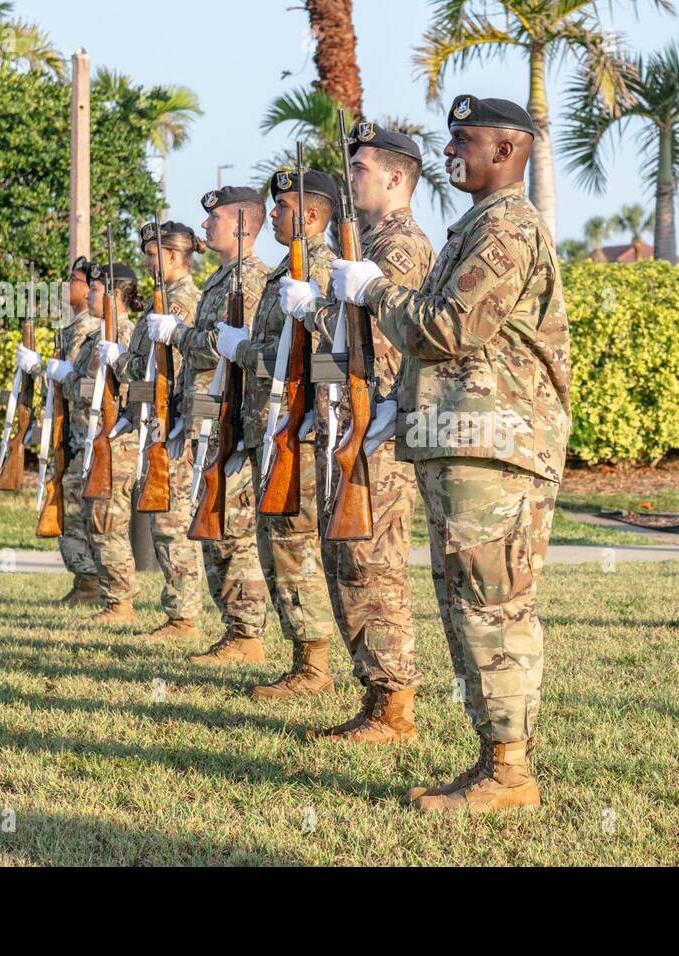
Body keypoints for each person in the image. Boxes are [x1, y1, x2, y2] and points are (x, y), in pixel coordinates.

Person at [330, 94, 571, 812]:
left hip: (494, 447)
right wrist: (401, 409)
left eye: (464, 140)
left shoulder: (508, 231)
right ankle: (493, 761)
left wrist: (376, 291)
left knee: (493, 609)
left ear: (507, 152)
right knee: (467, 608)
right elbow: (444, 351)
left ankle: (510, 773)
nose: (449, 152)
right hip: (459, 440)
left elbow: (448, 329)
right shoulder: (475, 228)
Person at [282, 123, 436, 743]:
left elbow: (378, 335)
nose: (350, 179)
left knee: (374, 565)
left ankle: (394, 707)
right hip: (347, 418)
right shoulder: (364, 241)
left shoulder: (398, 246)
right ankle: (377, 695)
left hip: (379, 426)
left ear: (396, 178)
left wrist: (310, 308)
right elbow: (341, 341)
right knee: (347, 558)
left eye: (362, 169)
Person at [211, 169, 344, 700]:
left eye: (283, 206)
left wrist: (241, 350)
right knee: (276, 545)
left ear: (310, 216)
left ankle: (315, 666)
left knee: (293, 545)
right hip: (266, 428)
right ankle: (301, 660)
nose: (272, 214)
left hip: (301, 432)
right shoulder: (285, 275)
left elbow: (327, 357)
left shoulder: (324, 272)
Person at [145, 187, 273, 663]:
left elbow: (218, 349)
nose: (204, 227)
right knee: (214, 526)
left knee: (235, 529)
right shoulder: (222, 281)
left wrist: (179, 335)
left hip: (236, 420)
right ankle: (236, 632)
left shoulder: (254, 281)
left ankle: (247, 634)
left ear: (241, 224)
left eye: (213, 218)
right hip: (208, 419)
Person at [102, 221, 205, 640]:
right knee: (163, 519)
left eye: (153, 254)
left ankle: (184, 617)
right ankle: (178, 613)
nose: (147, 262)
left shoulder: (180, 303)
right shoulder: (161, 303)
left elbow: (169, 371)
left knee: (172, 522)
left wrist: (120, 363)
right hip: (153, 420)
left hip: (172, 422)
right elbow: (146, 371)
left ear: (175, 256)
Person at [44, 261, 142, 624]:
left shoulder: (128, 335)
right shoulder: (99, 337)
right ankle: (102, 592)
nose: (89, 294)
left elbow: (101, 389)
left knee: (107, 522)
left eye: (97, 290)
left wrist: (62, 376)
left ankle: (121, 602)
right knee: (95, 521)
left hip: (115, 441)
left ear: (115, 295)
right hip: (90, 440)